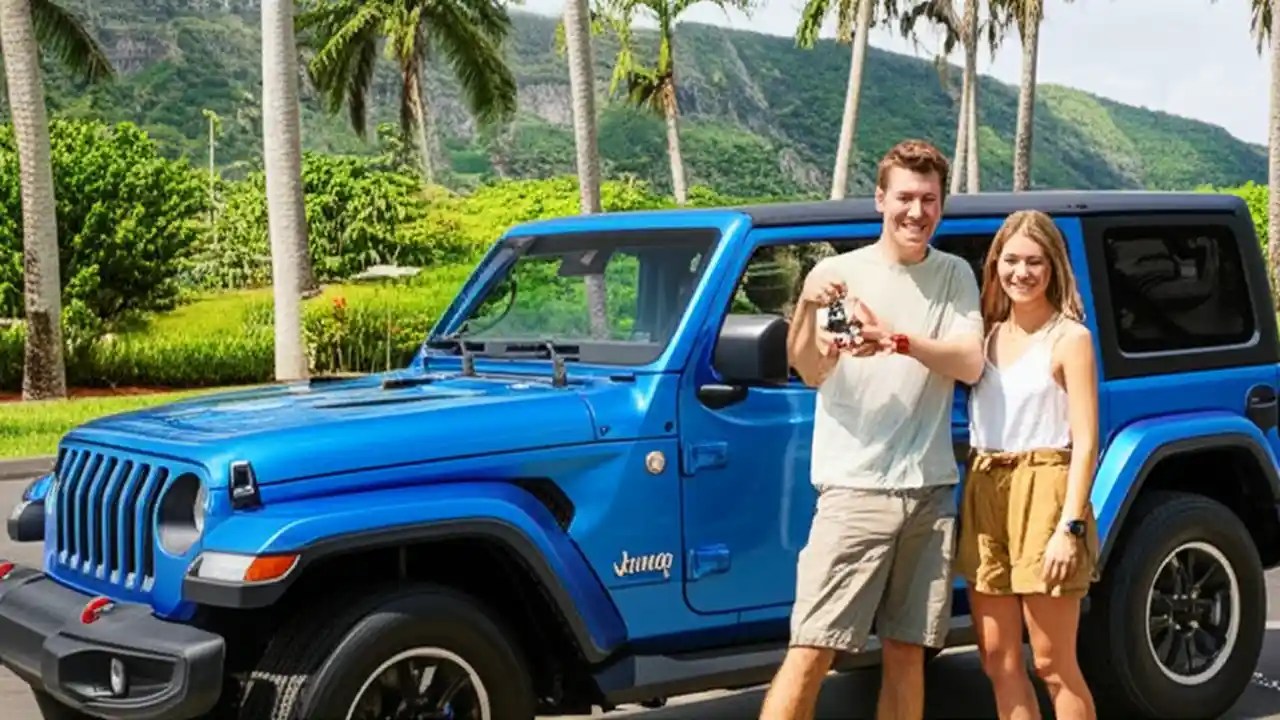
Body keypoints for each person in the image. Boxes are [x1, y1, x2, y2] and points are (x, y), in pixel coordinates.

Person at [759, 139, 985, 720]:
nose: (917, 211)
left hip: (930, 493)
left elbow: (969, 362)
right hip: (853, 492)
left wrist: (898, 340)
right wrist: (808, 310)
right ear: (880, 198)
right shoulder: (837, 273)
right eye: (905, 197)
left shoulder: (955, 274)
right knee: (812, 648)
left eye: (929, 199)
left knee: (909, 653)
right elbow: (812, 368)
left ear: (942, 204)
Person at [957, 209, 1100, 720]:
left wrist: (1071, 525)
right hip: (985, 485)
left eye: (1035, 261)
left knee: (1051, 662)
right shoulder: (986, 336)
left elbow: (1086, 441)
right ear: (995, 264)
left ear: (1054, 267)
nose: (1022, 272)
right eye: (1011, 260)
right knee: (997, 659)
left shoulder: (1070, 339)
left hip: (1046, 489)